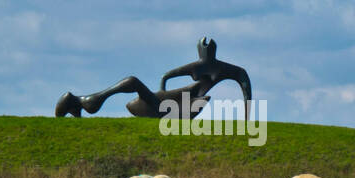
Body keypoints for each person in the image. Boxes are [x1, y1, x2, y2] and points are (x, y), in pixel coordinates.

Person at [55, 37, 251, 120]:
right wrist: (162, 94)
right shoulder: (204, 67)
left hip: (169, 104)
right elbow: (166, 76)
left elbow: (244, 82)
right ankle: (83, 102)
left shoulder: (222, 69)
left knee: (134, 81)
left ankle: (82, 102)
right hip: (162, 104)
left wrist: (247, 115)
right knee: (133, 81)